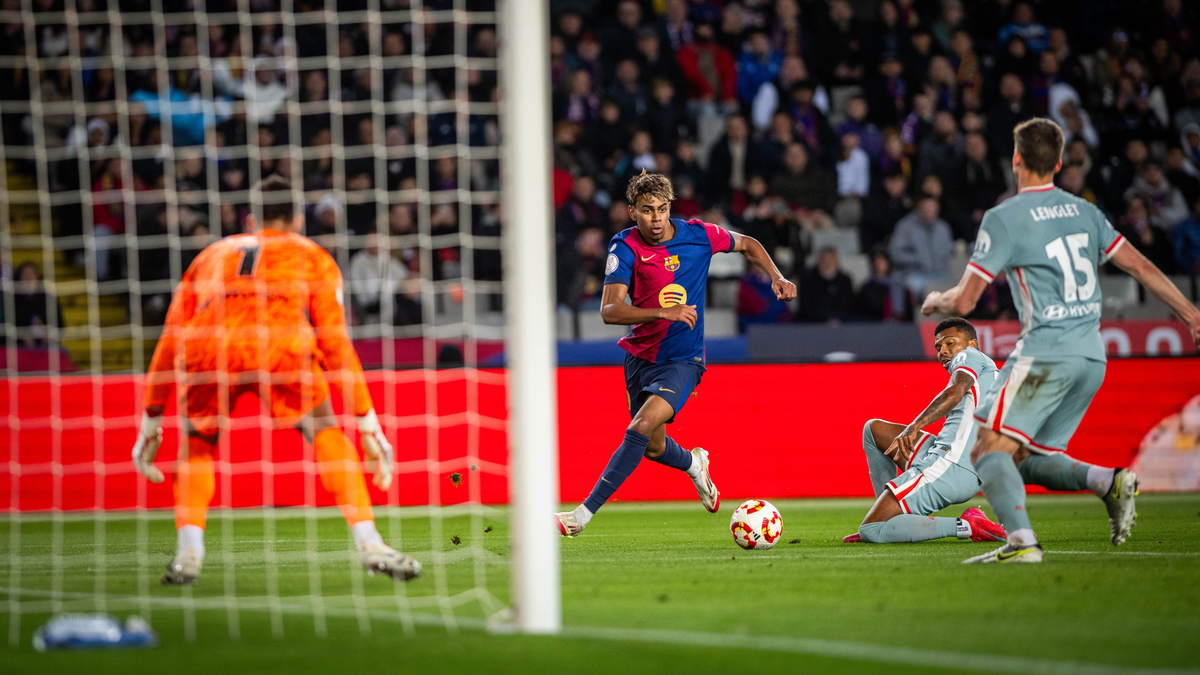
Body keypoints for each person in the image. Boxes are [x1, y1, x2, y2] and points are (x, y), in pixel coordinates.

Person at [922, 118, 1200, 564]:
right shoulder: (1085, 211)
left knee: (987, 452)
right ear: (1057, 162)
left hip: (1045, 355)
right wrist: (1191, 313)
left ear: (1015, 159)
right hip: (1092, 357)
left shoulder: (1004, 217)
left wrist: (939, 301)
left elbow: (968, 299)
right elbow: (1141, 268)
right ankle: (1109, 482)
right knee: (1028, 459)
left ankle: (1021, 544)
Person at [129, 176, 421, 584]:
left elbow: (168, 341)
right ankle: (369, 542)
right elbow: (335, 344)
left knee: (198, 444)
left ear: (251, 219)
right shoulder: (313, 255)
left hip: (209, 348)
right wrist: (367, 421)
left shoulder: (211, 255)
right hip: (279, 343)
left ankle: (188, 554)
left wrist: (150, 419)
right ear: (297, 219)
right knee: (324, 430)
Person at [554, 171, 796, 536]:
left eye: (662, 209)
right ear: (632, 211)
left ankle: (582, 515)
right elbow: (609, 311)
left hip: (682, 359)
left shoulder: (699, 235)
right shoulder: (625, 247)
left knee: (639, 426)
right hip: (640, 358)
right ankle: (694, 463)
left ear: (671, 208)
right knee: (653, 447)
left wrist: (776, 275)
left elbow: (746, 243)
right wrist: (662, 312)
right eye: (647, 210)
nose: (656, 219)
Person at [846, 318, 1006, 544]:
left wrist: (914, 427)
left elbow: (954, 393)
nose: (943, 351)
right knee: (874, 431)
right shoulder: (992, 374)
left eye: (950, 343)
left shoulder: (969, 356)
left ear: (971, 344)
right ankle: (893, 517)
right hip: (959, 461)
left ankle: (969, 526)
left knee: (872, 530)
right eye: (939, 347)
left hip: (950, 466)